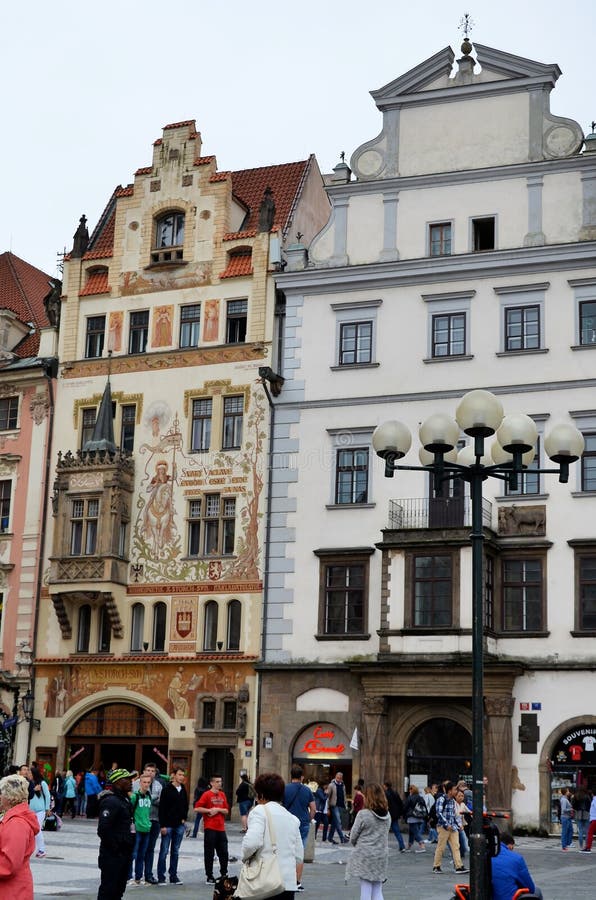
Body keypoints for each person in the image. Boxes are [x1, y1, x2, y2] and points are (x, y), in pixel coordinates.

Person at [241, 772, 303, 899]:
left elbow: (251, 843)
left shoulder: (259, 811)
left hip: (264, 882)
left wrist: (245, 857)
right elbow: (299, 855)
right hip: (287, 884)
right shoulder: (293, 819)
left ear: (261, 795)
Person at [346, 782, 391, 900]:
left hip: (366, 855)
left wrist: (360, 845)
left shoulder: (363, 814)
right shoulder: (388, 816)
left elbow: (353, 837)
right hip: (381, 854)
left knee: (366, 889)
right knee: (377, 888)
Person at [97, 768, 135, 900]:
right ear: (118, 782)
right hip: (112, 855)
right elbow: (103, 829)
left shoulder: (125, 800)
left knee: (118, 890)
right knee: (108, 890)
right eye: (128, 779)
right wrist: (116, 847)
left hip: (124, 853)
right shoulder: (111, 801)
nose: (131, 782)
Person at [0, 774, 40, 898]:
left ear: (9, 796)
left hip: (12, 892)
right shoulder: (14, 818)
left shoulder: (16, 823)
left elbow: (9, 864)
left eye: (1, 793)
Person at [283, 764, 315, 891]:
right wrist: (309, 819)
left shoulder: (285, 789)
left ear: (291, 776)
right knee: (299, 853)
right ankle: (297, 882)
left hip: (287, 824)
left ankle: (286, 880)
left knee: (286, 852)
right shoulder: (307, 790)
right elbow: (313, 808)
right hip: (302, 824)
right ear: (302, 777)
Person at [196, 773, 230, 885]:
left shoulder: (222, 795)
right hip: (210, 827)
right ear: (211, 783)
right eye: (217, 782)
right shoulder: (206, 794)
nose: (219, 784)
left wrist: (217, 810)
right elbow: (197, 808)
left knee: (224, 852)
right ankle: (209, 875)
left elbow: (226, 810)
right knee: (209, 852)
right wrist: (209, 810)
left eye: (220, 782)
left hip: (221, 828)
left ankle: (224, 873)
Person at [157, 767, 188, 885]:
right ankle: (161, 876)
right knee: (164, 851)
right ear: (174, 775)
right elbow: (162, 808)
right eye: (179, 774)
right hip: (168, 825)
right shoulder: (167, 789)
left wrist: (184, 819)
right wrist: (163, 825)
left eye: (183, 775)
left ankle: (173, 875)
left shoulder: (183, 789)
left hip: (179, 824)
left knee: (175, 851)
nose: (181, 777)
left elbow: (185, 805)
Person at [491, 832, 542, 900]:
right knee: (537, 891)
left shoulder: (483, 855)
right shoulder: (516, 858)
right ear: (510, 845)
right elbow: (530, 888)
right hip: (509, 898)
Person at [432, 781, 467, 875]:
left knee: (456, 846)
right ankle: (436, 866)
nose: (456, 791)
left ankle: (458, 866)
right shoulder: (441, 799)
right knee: (441, 847)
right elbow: (438, 813)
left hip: (453, 827)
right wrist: (446, 824)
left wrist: (457, 824)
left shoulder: (452, 801)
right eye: (455, 789)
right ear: (449, 790)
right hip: (443, 827)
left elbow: (453, 814)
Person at [129, 773, 153, 885]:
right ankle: (129, 877)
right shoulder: (135, 796)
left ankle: (138, 877)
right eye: (144, 782)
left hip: (146, 828)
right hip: (137, 828)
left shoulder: (149, 796)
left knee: (142, 854)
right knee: (133, 853)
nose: (146, 784)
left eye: (148, 782)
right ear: (140, 783)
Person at [28, 767, 51, 858]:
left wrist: (47, 808)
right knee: (30, 830)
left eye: (30, 773)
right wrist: (33, 790)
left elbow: (48, 796)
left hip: (40, 811)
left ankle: (41, 850)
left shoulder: (42, 783)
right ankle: (28, 849)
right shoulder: (28, 783)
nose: (28, 774)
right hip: (29, 810)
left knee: (37, 829)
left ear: (34, 774)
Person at [326, 772, 349, 844]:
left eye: (340, 778)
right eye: (337, 777)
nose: (338, 779)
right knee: (338, 822)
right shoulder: (331, 785)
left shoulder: (343, 785)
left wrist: (346, 804)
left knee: (334, 823)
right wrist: (327, 808)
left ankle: (330, 838)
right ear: (335, 777)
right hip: (334, 806)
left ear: (341, 778)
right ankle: (342, 838)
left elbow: (344, 795)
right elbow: (328, 796)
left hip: (341, 806)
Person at [383, 781, 406, 852]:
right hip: (395, 815)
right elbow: (400, 803)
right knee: (397, 831)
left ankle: (383, 846)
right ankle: (402, 846)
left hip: (388, 814)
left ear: (385, 786)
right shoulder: (395, 793)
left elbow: (384, 804)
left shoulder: (385, 794)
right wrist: (400, 813)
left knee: (383, 831)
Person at [403, 784, 427, 852]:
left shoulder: (410, 797)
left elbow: (405, 807)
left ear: (411, 790)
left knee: (415, 832)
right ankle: (409, 846)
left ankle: (422, 846)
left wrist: (404, 814)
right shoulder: (420, 797)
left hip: (412, 817)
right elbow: (424, 807)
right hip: (420, 817)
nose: (409, 791)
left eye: (410, 789)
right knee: (412, 832)